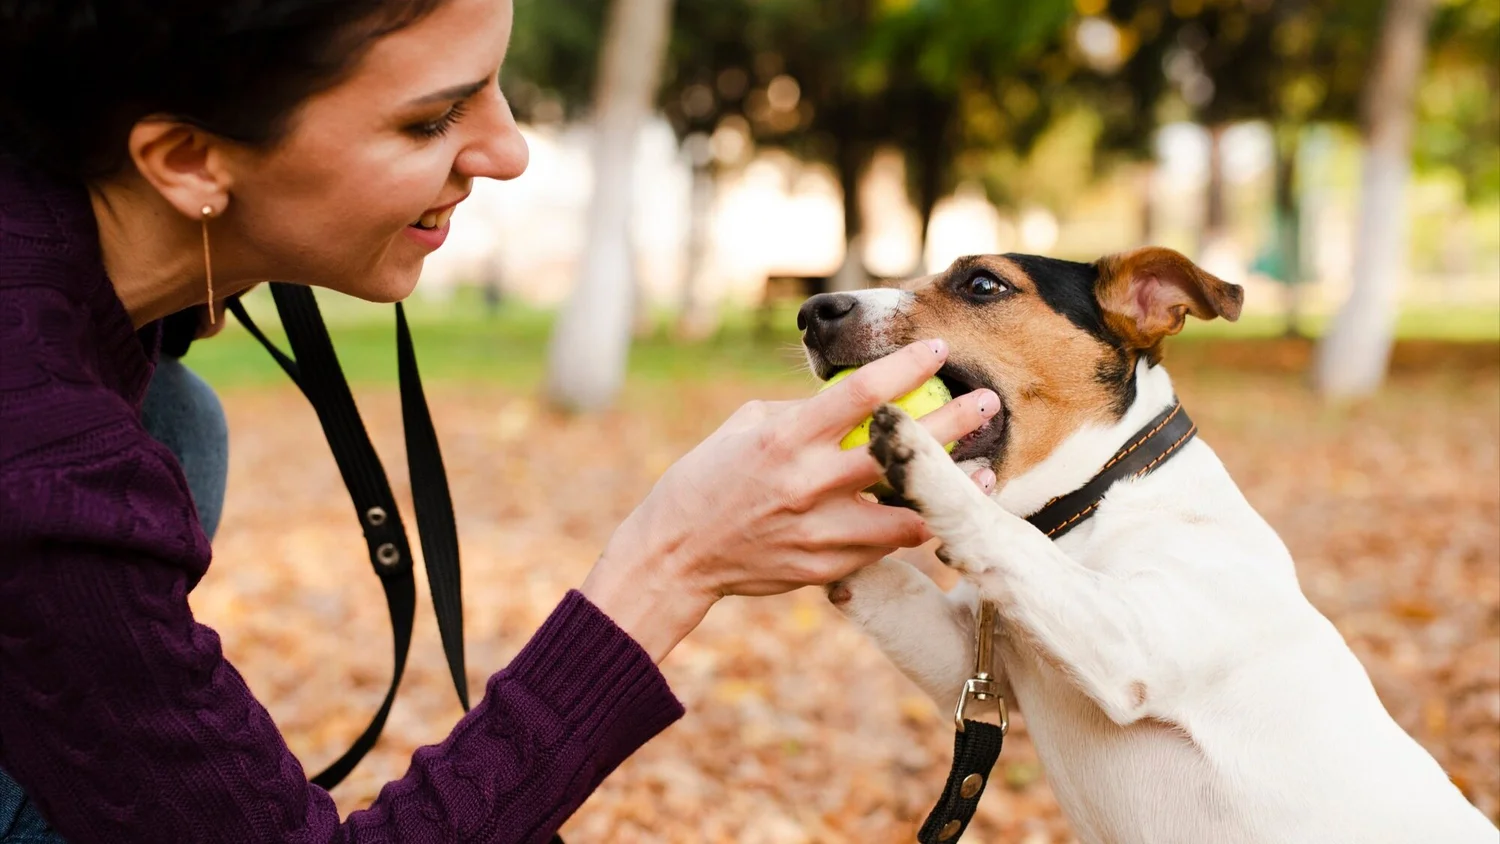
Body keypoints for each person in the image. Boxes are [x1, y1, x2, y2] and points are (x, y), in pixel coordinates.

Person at [0, 1, 1000, 842]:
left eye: (493, 84)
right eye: (430, 121)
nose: (510, 151)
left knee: (179, 415)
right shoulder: (42, 452)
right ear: (184, 158)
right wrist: (672, 562)